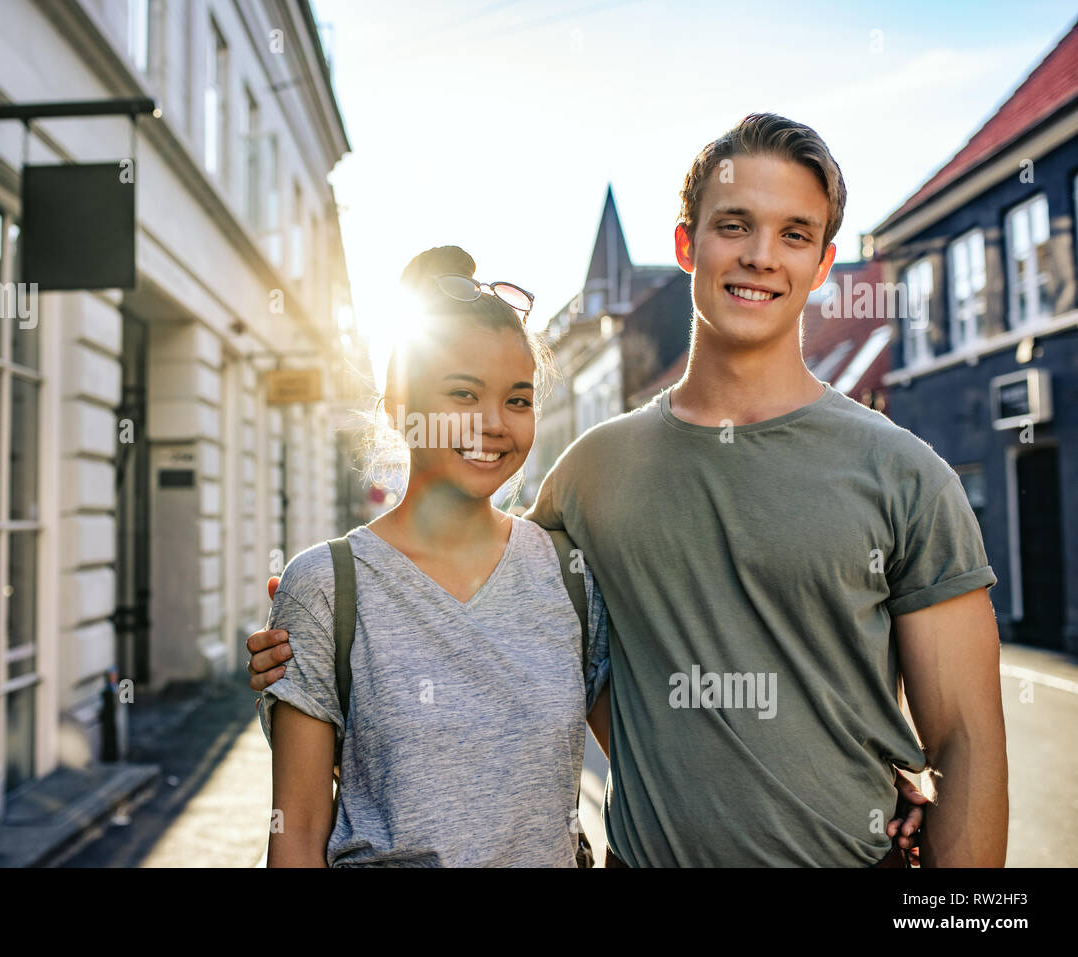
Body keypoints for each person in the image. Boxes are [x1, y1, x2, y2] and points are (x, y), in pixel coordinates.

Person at [253, 114, 982, 868]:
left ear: (826, 261)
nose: (762, 256)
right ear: (685, 246)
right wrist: (307, 635)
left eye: (794, 233)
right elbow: (309, 812)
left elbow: (959, 743)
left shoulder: (903, 474)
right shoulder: (592, 474)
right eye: (735, 225)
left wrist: (862, 781)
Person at [257, 245, 613, 867]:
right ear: (399, 408)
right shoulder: (325, 587)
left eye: (519, 399)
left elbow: (656, 768)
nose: (495, 423)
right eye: (463, 394)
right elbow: (296, 832)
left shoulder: (570, 575)